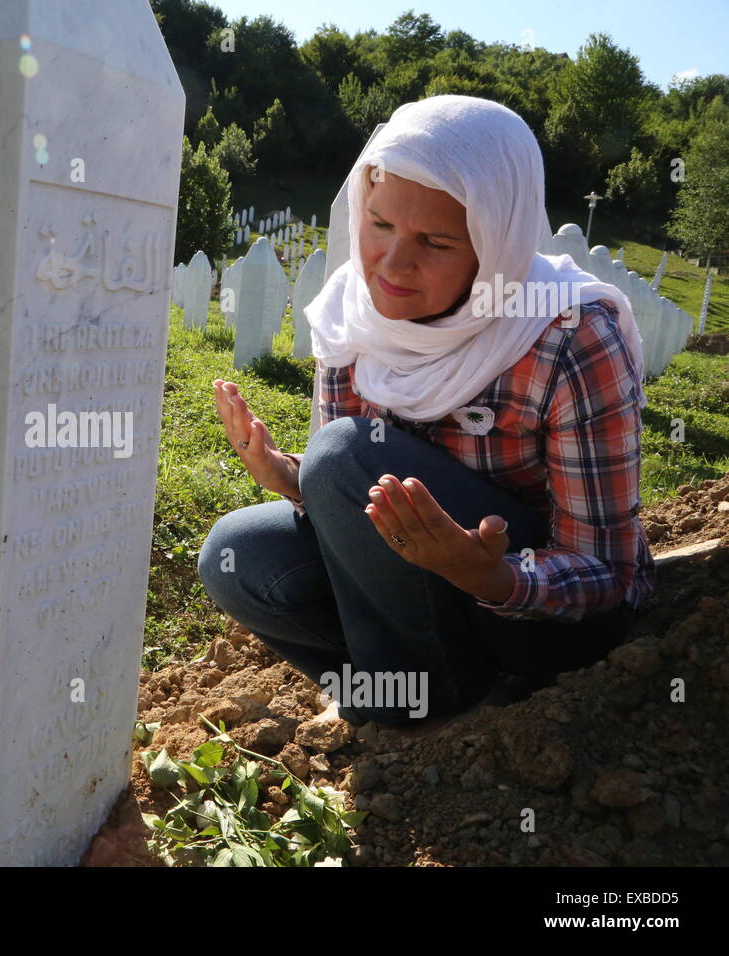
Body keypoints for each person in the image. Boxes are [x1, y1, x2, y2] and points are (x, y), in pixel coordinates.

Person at [197, 95, 655, 730]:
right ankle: (423, 690)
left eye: (435, 241)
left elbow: (607, 567)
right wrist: (292, 479)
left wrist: (489, 573)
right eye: (380, 225)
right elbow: (350, 492)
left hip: (538, 614)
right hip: (421, 587)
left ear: (497, 243)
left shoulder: (568, 336)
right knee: (242, 556)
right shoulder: (354, 314)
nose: (392, 263)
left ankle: (425, 711)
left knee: (342, 453)